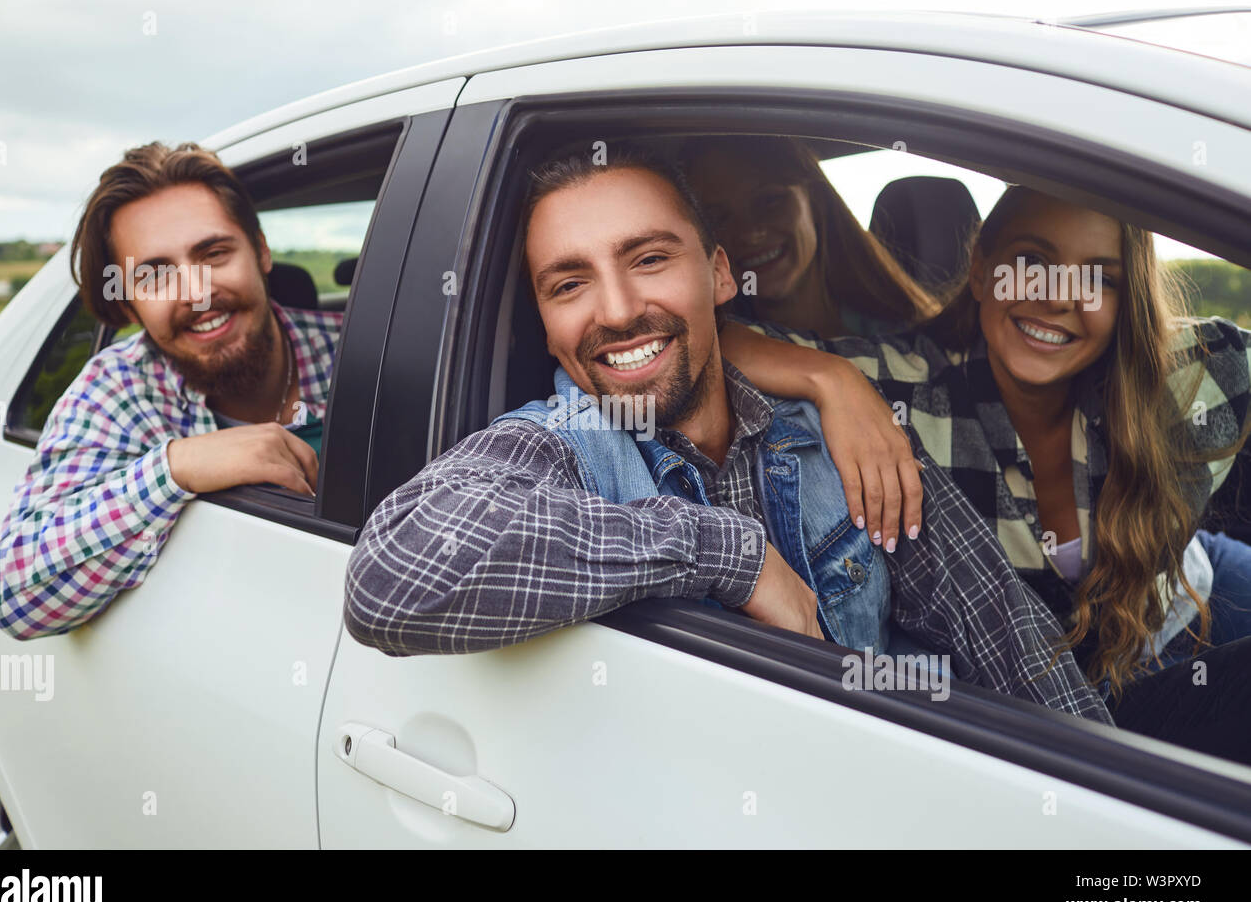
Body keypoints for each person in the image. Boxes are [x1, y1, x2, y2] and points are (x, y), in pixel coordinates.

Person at [342, 147, 1111, 723]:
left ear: (717, 277)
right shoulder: (556, 447)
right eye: (569, 284)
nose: (613, 311)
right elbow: (392, 577)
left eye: (648, 258)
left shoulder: (843, 442)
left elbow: (1017, 653)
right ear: (545, 326)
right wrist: (727, 555)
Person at [719, 185, 1251, 755]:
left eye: (1098, 278)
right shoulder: (906, 388)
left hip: (1180, 614)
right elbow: (710, 341)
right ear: (981, 272)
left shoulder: (1189, 381)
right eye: (1031, 263)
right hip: (1068, 717)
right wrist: (831, 379)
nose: (1057, 298)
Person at [0, 142, 341, 639]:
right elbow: (15, 597)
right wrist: (177, 467)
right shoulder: (117, 391)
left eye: (214, 253)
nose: (196, 292)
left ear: (260, 251)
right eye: (155, 275)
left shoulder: (359, 348)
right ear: (128, 305)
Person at [681, 135, 939, 338]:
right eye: (718, 218)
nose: (750, 234)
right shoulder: (710, 357)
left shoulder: (911, 342)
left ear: (816, 201)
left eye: (770, 201)